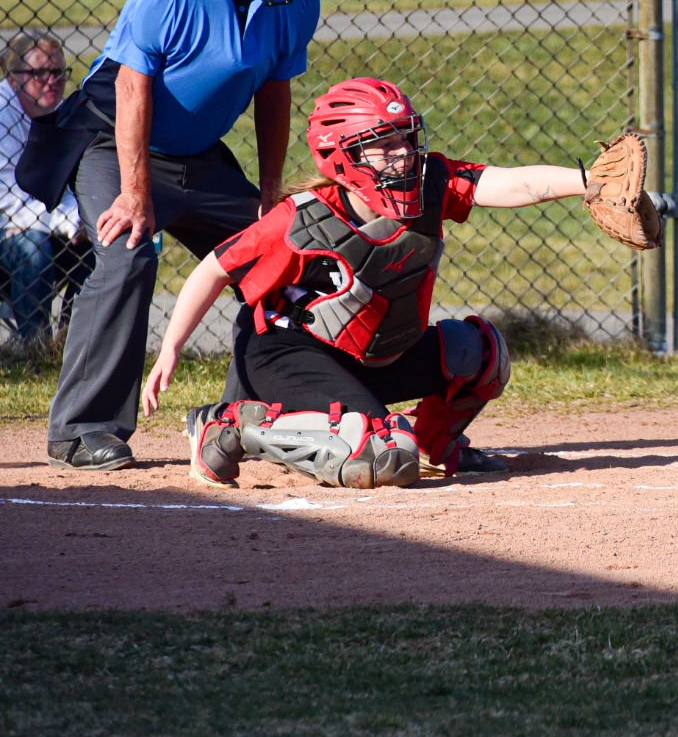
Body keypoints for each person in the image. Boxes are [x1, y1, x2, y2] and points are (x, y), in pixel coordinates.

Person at [145, 78, 605, 488]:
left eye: (405, 137)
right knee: (382, 452)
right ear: (341, 156)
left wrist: (590, 182)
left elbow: (512, 183)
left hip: (375, 353)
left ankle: (434, 447)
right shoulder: (303, 218)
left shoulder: (428, 185)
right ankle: (228, 425)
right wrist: (171, 349)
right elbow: (215, 267)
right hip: (288, 356)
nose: (403, 152)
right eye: (383, 144)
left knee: (480, 353)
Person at [34, 0, 321, 472]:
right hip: (116, 140)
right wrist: (135, 192)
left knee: (281, 260)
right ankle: (82, 429)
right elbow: (134, 85)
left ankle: (249, 419)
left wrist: (271, 192)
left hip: (199, 157)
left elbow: (275, 89)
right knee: (130, 248)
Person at [0, 32, 81, 350]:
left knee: (102, 242)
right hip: (6, 225)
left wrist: (83, 220)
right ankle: (34, 348)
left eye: (59, 72)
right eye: (38, 73)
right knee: (33, 247)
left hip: (42, 219)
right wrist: (69, 221)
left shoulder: (65, 114)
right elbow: (6, 195)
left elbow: (72, 181)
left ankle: (75, 344)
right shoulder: (2, 112)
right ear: (13, 78)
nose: (52, 81)